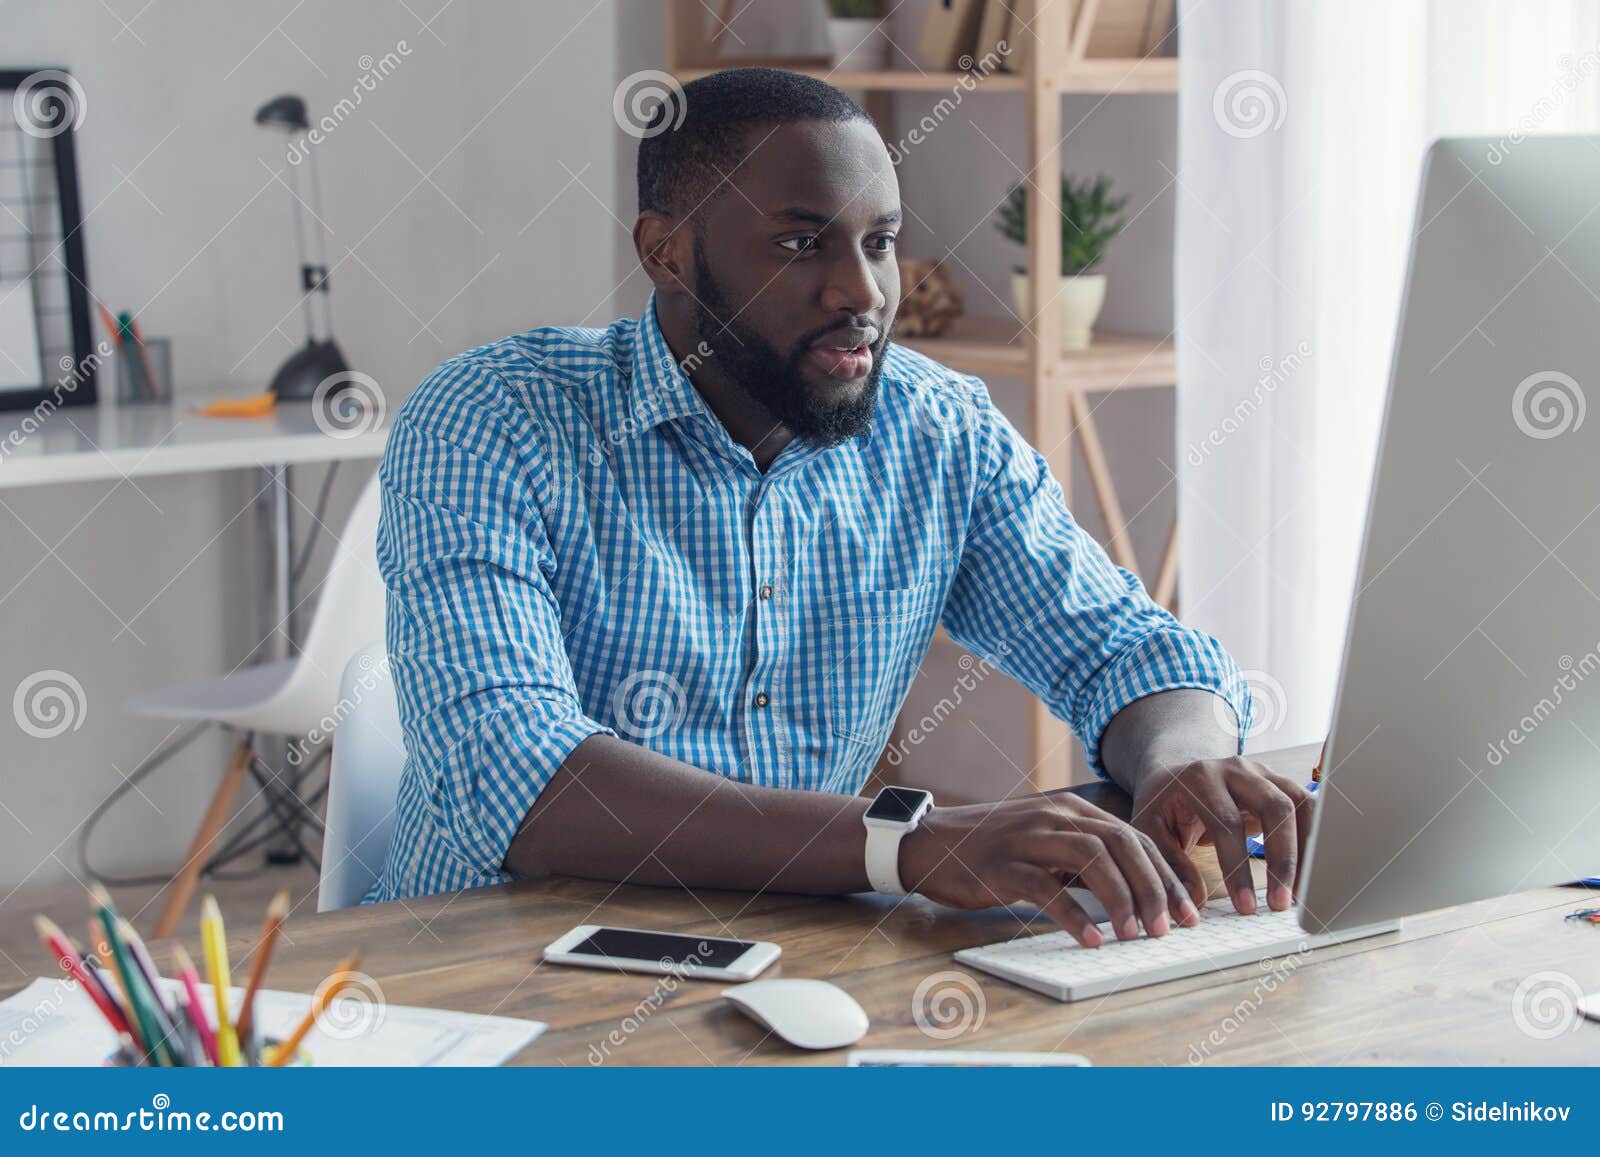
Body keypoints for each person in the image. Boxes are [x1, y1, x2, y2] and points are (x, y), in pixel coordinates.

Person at [365, 68, 1312, 948]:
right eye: (800, 243)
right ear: (667, 254)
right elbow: (512, 773)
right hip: (488, 972)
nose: (863, 291)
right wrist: (910, 841)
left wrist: (1182, 760)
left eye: (881, 243)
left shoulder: (938, 429)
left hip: (788, 954)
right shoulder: (492, 418)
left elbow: (1127, 650)